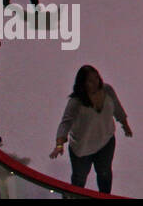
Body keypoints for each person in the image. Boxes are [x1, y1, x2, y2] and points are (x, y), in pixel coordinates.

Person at [51, 65, 132, 195]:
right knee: (79, 178)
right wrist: (59, 144)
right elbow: (65, 124)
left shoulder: (107, 91)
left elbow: (117, 108)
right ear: (82, 83)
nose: (95, 83)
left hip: (106, 142)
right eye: (90, 80)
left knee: (104, 174)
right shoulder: (76, 102)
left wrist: (125, 125)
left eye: (96, 78)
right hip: (82, 149)